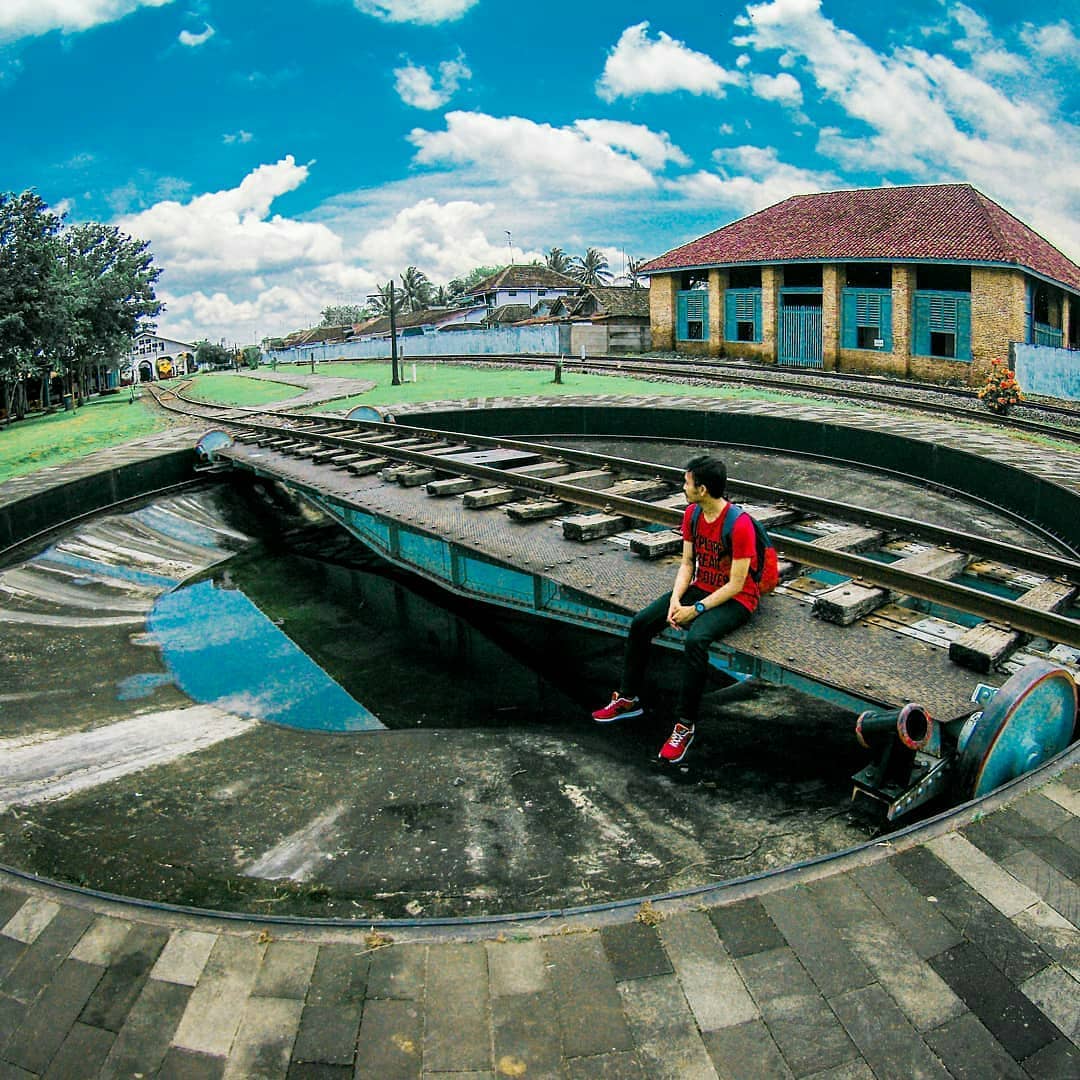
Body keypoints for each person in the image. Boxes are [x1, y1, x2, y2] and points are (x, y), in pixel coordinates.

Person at [591, 455, 761, 764]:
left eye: (687, 482)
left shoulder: (739, 525)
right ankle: (628, 698)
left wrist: (693, 610)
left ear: (704, 489)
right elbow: (687, 564)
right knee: (642, 622)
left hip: (737, 599)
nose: (683, 487)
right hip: (702, 587)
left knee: (696, 640)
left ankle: (685, 725)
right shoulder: (693, 515)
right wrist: (674, 601)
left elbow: (737, 585)